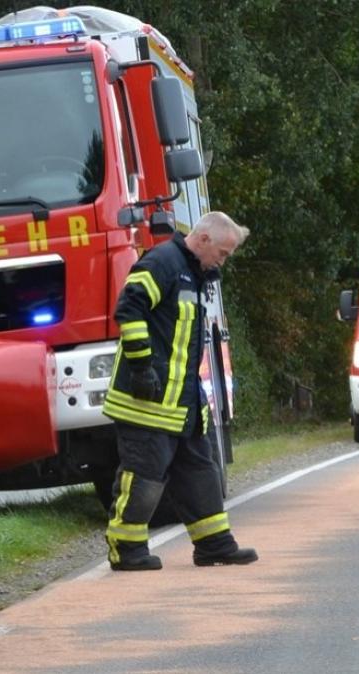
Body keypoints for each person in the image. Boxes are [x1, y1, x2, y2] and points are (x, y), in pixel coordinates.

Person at [102, 211, 258, 571]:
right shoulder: (162, 263)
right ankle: (126, 550)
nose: (223, 261)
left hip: (182, 404)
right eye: (223, 252)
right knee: (144, 475)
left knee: (201, 472)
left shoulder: (192, 272)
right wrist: (141, 367)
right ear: (203, 239)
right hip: (147, 403)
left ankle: (214, 545)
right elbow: (129, 308)